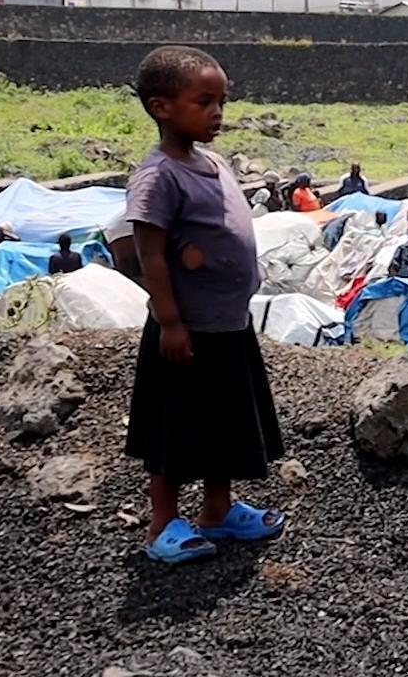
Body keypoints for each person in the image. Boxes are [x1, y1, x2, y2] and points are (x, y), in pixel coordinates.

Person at [124, 45, 285, 565]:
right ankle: (162, 524)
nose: (217, 113)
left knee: (226, 424)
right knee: (174, 430)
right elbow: (149, 253)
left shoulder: (212, 162)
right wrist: (170, 321)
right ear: (161, 107)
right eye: (204, 101)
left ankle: (219, 509)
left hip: (227, 324)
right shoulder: (159, 176)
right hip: (185, 331)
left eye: (221, 101)